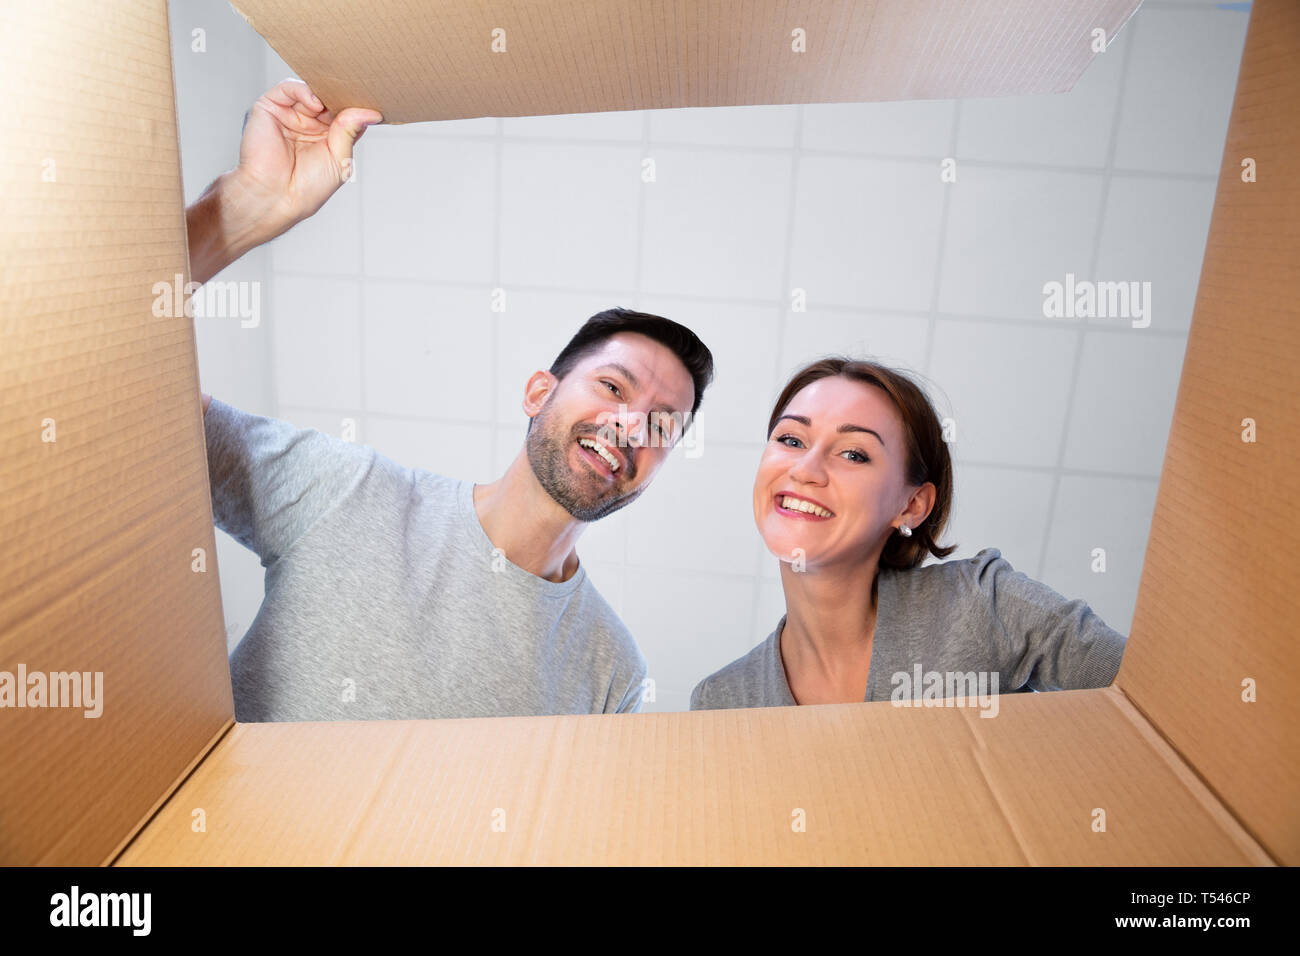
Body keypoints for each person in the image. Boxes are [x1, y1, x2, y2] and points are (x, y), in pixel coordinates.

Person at [188, 80, 714, 722]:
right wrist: (241, 207)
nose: (631, 424)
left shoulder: (612, 672)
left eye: (662, 425)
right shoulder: (351, 494)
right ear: (538, 392)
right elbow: (132, 408)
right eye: (612, 386)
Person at [690, 357, 1126, 711]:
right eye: (791, 439)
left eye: (854, 454)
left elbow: (1164, 705)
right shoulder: (723, 704)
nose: (804, 470)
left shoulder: (981, 606)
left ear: (911, 506)